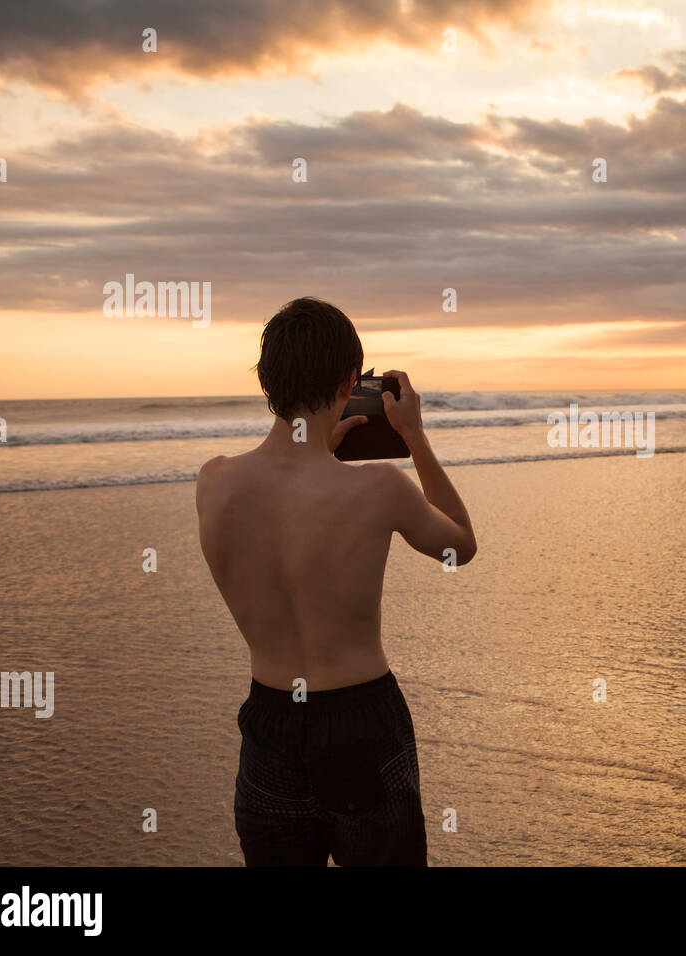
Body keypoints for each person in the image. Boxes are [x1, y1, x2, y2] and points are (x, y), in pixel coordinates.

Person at [195, 297, 476, 866]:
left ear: (266, 380)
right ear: (352, 379)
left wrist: (318, 450)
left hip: (268, 724)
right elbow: (460, 546)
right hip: (361, 722)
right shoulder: (379, 488)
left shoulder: (214, 483)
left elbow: (289, 488)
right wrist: (414, 436)